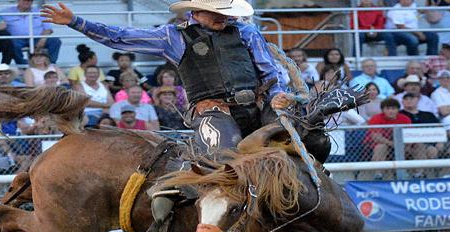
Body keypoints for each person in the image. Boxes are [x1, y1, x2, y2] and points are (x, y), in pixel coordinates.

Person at [42, 0, 297, 154]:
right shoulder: (172, 36)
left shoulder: (247, 31)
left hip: (258, 104)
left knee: (303, 140)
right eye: (217, 11)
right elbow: (120, 36)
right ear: (196, 11)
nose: (225, 16)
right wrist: (77, 22)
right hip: (214, 111)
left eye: (226, 11)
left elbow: (269, 69)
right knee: (223, 155)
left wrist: (277, 95)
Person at [364, 97, 412, 179]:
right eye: (388, 108)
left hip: (400, 146)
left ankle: (419, 174)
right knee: (381, 147)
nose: (391, 111)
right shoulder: (376, 118)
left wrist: (407, 146)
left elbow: (410, 135)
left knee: (419, 146)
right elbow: (376, 137)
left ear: (398, 109)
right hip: (375, 147)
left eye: (393, 108)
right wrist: (394, 144)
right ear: (383, 110)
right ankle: (378, 174)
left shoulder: (405, 118)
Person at [2, 0, 61, 65]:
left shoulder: (39, 12)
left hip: (37, 38)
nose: (26, 2)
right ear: (18, 1)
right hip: (17, 39)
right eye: (24, 0)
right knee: (11, 44)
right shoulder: (7, 12)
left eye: (29, 0)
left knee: (55, 41)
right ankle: (23, 66)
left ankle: (50, 64)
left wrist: (43, 39)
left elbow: (48, 29)